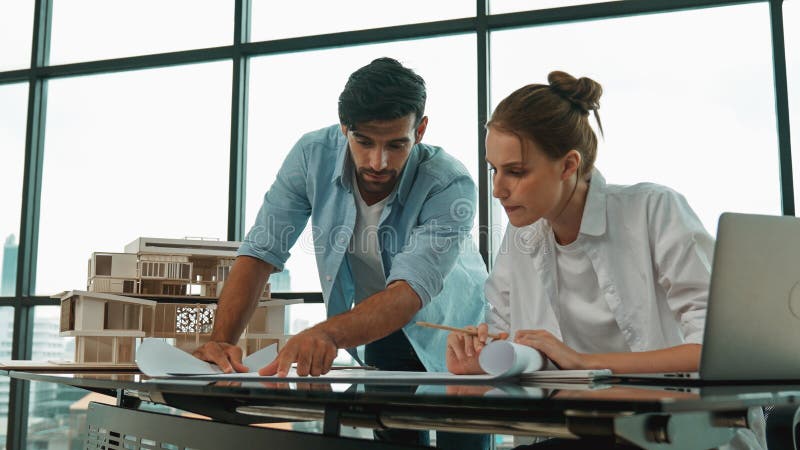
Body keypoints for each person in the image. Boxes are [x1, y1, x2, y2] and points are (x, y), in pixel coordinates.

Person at [445, 71, 766, 450]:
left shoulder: (653, 209)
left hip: (677, 432)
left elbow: (716, 351)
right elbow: (511, 338)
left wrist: (585, 363)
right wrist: (484, 358)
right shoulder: (521, 234)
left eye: (516, 172)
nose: (497, 189)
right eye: (493, 169)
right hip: (572, 429)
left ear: (568, 166)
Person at [194, 57, 490, 449]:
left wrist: (326, 333)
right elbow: (260, 251)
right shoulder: (311, 155)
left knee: (463, 441)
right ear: (343, 125)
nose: (377, 162)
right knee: (392, 439)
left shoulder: (449, 183)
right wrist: (221, 340)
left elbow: (408, 292)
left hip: (456, 332)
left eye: (396, 144)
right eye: (364, 141)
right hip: (380, 324)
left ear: (420, 130)